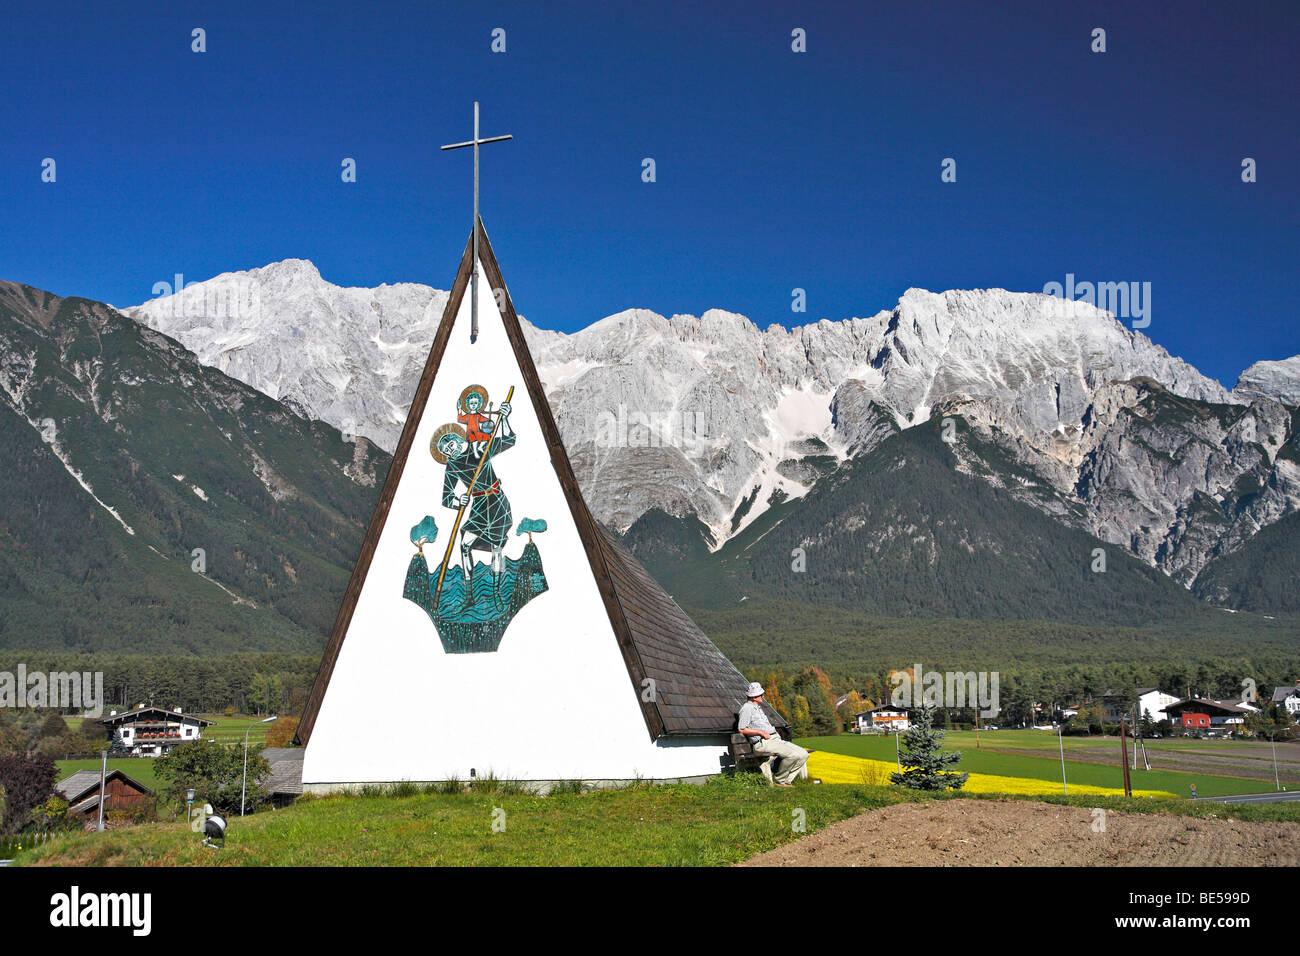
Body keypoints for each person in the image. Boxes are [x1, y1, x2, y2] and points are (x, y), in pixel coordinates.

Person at [737, 682, 808, 787]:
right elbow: (741, 729)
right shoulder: (747, 708)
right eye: (761, 695)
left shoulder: (758, 708)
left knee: (803, 754)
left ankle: (787, 781)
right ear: (754, 697)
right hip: (762, 743)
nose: (763, 696)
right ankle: (780, 780)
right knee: (792, 755)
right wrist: (760, 732)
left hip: (774, 739)